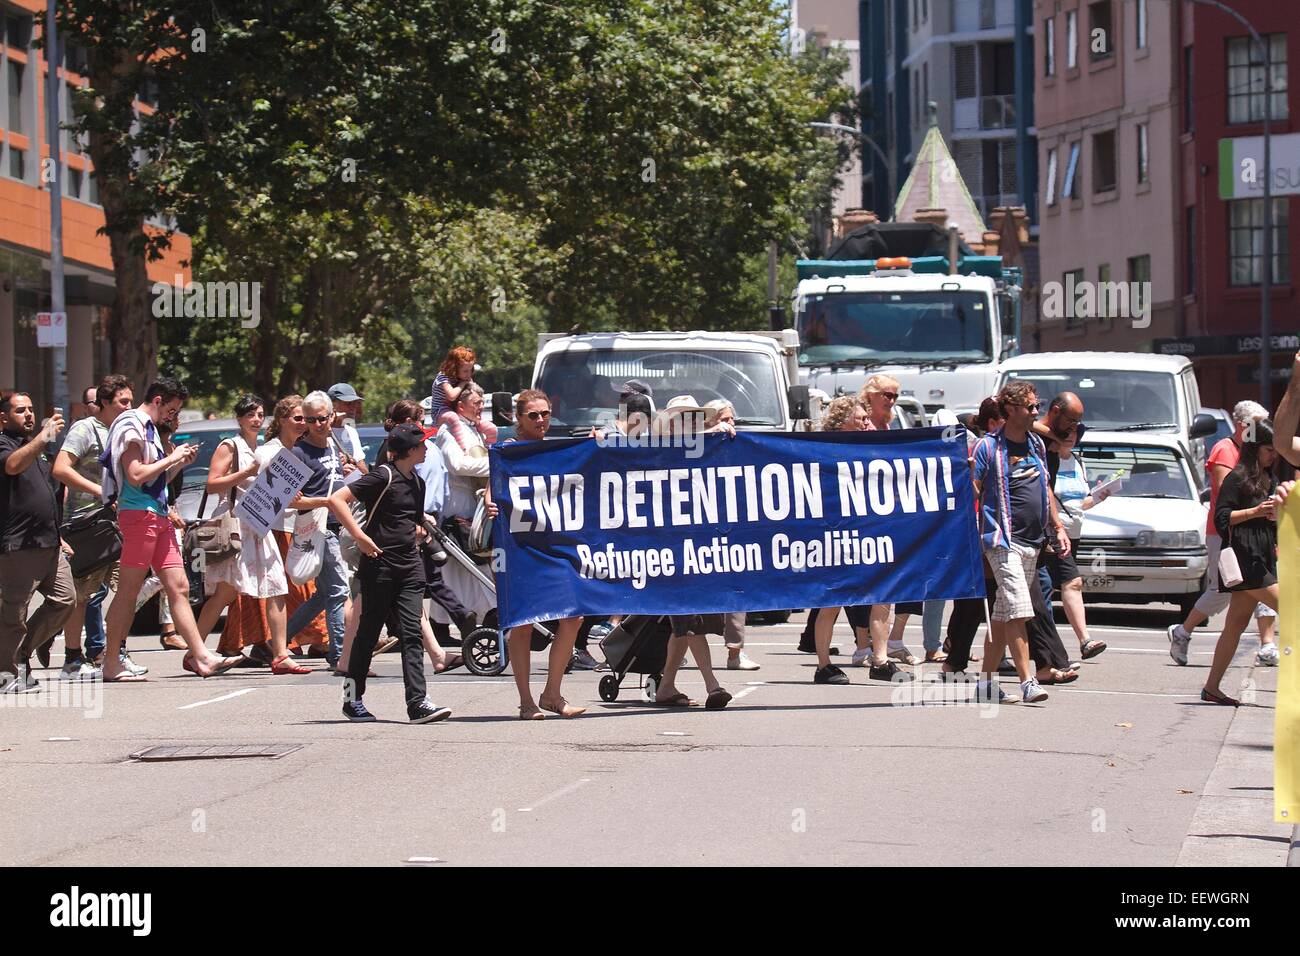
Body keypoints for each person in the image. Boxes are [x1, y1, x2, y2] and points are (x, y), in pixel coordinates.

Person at [100, 378, 242, 681]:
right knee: (128, 591)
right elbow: (136, 475)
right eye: (172, 410)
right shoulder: (133, 424)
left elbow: (155, 481)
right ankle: (110, 660)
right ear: (158, 400)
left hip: (157, 514)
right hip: (139, 517)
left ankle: (201, 656)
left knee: (179, 586)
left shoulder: (148, 428)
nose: (172, 417)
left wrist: (176, 463)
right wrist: (173, 458)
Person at [330, 422, 451, 724]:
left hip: (410, 566)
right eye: (422, 444)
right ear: (409, 450)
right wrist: (358, 535)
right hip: (379, 566)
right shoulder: (382, 476)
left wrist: (421, 531)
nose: (427, 448)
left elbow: (408, 522)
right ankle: (351, 698)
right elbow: (336, 500)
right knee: (367, 634)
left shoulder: (417, 482)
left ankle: (418, 703)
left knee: (412, 634)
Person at [484, 389, 586, 719]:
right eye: (533, 415)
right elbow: (492, 485)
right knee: (523, 624)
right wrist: (488, 499)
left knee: (573, 616)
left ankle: (552, 693)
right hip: (520, 547)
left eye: (545, 414)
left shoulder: (558, 449)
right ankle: (526, 700)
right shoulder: (509, 451)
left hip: (554, 546)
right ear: (519, 418)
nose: (541, 420)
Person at [191, 395, 310, 675]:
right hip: (237, 526)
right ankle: (194, 652)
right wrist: (248, 471)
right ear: (239, 418)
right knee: (224, 594)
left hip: (259, 524)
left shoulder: (261, 447)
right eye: (249, 415)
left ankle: (280, 655)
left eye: (259, 414)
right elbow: (211, 485)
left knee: (276, 585)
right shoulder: (230, 446)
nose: (255, 419)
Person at [971, 381, 1068, 704]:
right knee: (1018, 610)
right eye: (1030, 407)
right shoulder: (987, 448)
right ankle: (1028, 681)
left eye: (1036, 406)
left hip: (1033, 541)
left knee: (1002, 616)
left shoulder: (1036, 445)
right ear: (1011, 410)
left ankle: (985, 684)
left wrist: (1057, 527)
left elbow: (1047, 490)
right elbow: (971, 491)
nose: (1036, 412)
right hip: (1001, 540)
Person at [805, 396, 906, 685]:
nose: (866, 423)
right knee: (831, 603)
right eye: (861, 418)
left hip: (868, 532)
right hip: (834, 536)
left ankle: (881, 660)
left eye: (866, 418)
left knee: (883, 596)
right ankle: (823, 665)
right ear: (842, 420)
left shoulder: (869, 448)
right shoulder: (821, 450)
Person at [1168, 400, 1277, 666]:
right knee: (1221, 591)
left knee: (1261, 588)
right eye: (1256, 425)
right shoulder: (1226, 451)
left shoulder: (1265, 467)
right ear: (1243, 425)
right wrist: (1256, 511)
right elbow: (1227, 500)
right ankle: (1183, 631)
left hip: (1257, 537)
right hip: (1226, 536)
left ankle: (1267, 644)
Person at [1201, 421, 1292, 705]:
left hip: (1262, 556)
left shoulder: (1270, 478)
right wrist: (1255, 511)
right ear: (1254, 448)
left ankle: (1212, 687)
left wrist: (1273, 517)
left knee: (1235, 626)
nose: (1273, 455)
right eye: (1268, 449)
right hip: (1244, 558)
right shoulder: (1237, 477)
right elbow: (1222, 518)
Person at [51, 374, 134, 678]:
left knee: (127, 589)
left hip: (120, 522)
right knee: (81, 594)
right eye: (123, 401)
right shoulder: (85, 429)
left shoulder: (124, 430)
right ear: (104, 402)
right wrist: (100, 491)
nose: (129, 406)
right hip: (87, 523)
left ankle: (115, 654)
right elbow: (60, 468)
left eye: (131, 400)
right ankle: (72, 659)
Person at [0, 393, 76, 691]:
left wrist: (58, 535)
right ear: (3, 418)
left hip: (49, 543)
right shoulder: (6, 444)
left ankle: (21, 652)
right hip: (19, 546)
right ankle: (7, 673)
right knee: (14, 614)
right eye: (21, 410)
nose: (29, 415)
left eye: (32, 409)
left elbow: (45, 495)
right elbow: (13, 466)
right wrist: (43, 438)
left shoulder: (38, 449)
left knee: (65, 600)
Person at [283, 391, 354, 667]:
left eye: (322, 418)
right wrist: (326, 501)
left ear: (331, 416)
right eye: (310, 420)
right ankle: (338, 656)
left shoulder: (333, 445)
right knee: (338, 591)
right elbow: (291, 500)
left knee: (324, 594)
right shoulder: (298, 452)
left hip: (336, 525)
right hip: (316, 527)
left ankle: (277, 641)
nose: (317, 424)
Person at [260, 396, 330, 656]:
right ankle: (284, 644)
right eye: (299, 418)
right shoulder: (271, 452)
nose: (305, 424)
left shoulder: (310, 448)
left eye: (308, 419)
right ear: (282, 420)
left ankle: (314, 640)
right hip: (276, 530)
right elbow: (269, 494)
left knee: (313, 589)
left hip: (304, 527)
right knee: (295, 589)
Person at [703, 400, 759, 672]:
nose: (731, 424)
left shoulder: (735, 444)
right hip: (698, 533)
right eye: (725, 418)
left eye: (733, 419)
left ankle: (735, 654)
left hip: (729, 529)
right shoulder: (696, 442)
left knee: (737, 587)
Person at [1048, 421, 1111, 659]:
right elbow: (1046, 495)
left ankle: (1029, 643)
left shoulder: (1078, 461)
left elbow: (1080, 503)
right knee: (1072, 583)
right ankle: (1084, 640)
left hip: (1074, 534)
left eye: (1075, 433)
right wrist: (1056, 525)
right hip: (1055, 531)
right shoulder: (1049, 460)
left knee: (1046, 589)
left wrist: (1098, 497)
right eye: (1067, 431)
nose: (1071, 436)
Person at [328, 382, 369, 476]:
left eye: (355, 403)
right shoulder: (321, 431)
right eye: (348, 403)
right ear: (332, 404)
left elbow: (360, 465)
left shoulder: (351, 431)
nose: (353, 408)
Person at [429, 346, 476, 424]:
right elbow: (451, 396)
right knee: (453, 418)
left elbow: (473, 395)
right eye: (465, 371)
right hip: (440, 412)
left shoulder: (464, 377)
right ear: (454, 368)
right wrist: (463, 383)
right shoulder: (443, 376)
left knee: (478, 419)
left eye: (470, 370)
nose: (469, 374)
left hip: (456, 409)